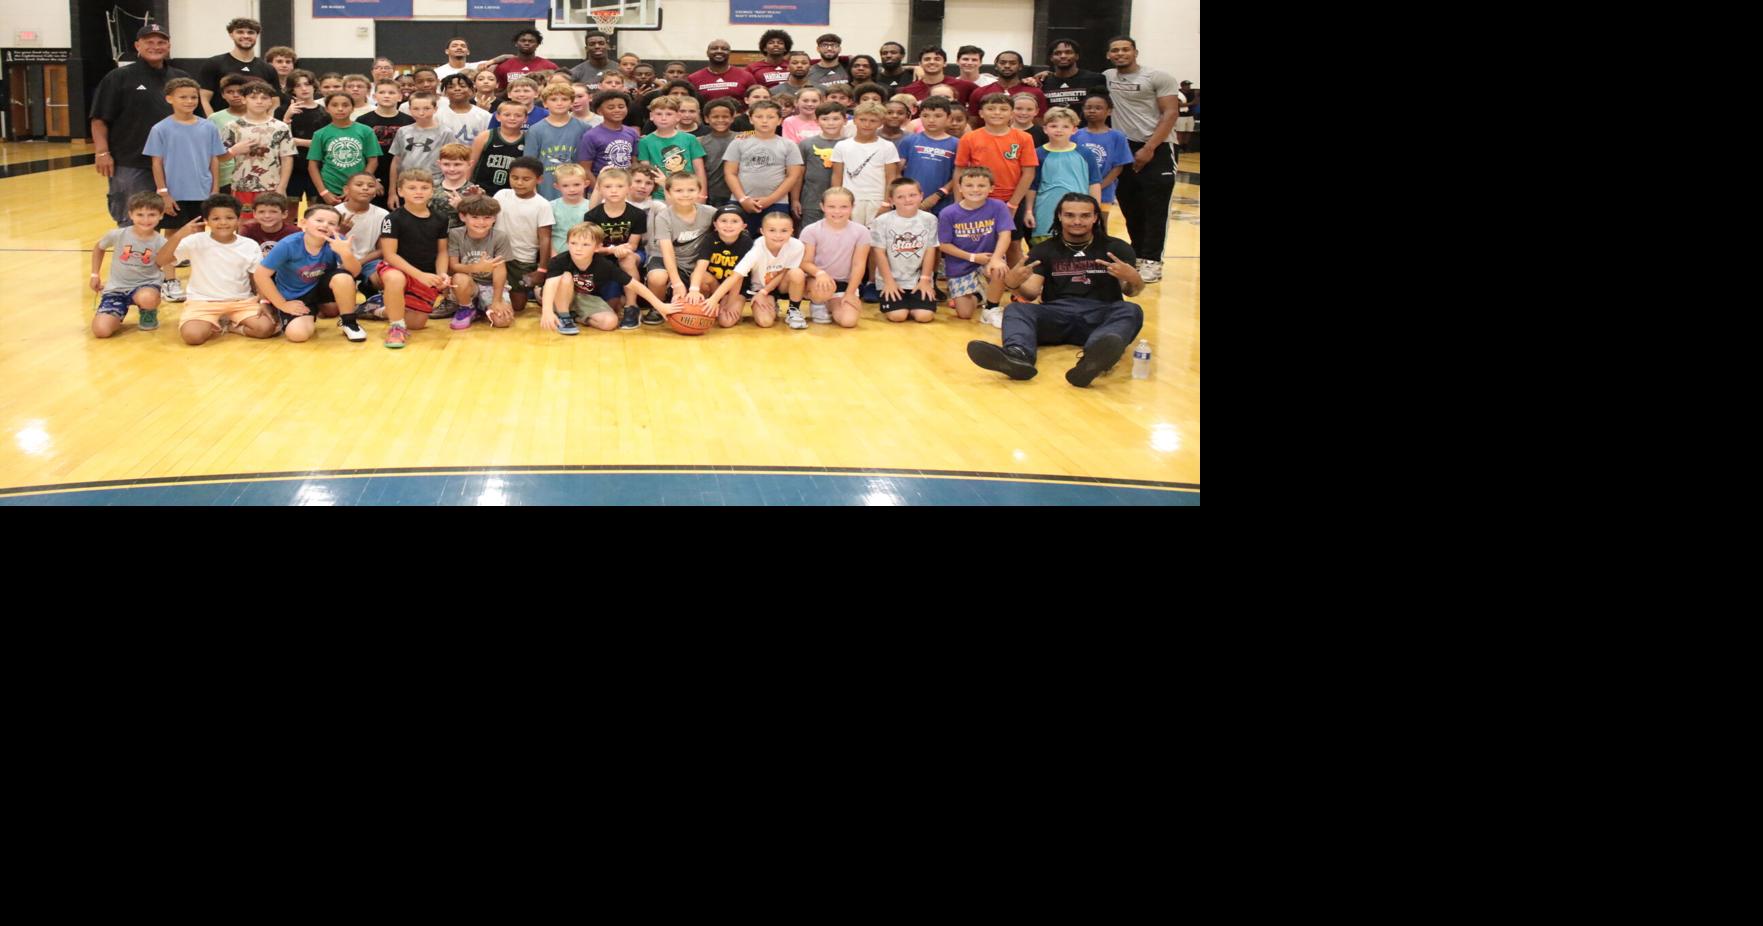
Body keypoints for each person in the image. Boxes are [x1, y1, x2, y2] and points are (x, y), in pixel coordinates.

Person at [968, 193, 1144, 387]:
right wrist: (1015, 284)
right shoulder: (1044, 250)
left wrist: (1134, 279)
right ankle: (1018, 356)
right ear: (1059, 216)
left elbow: (1131, 292)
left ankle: (1093, 359)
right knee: (1016, 310)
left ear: (1095, 217)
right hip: (1056, 315)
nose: (1077, 221)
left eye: (1085, 216)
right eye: (1069, 215)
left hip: (1100, 315)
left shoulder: (1116, 248)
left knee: (1131, 310)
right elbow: (1031, 293)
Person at [91, 24, 192, 227]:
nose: (155, 46)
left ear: (169, 46)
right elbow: (99, 118)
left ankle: (167, 258)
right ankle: (132, 258)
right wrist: (102, 152)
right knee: (133, 218)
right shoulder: (119, 77)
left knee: (175, 218)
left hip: (172, 162)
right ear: (138, 45)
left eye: (161, 42)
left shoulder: (180, 78)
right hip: (131, 161)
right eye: (149, 42)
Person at [1104, 36, 1181, 283]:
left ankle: (1153, 260)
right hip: (1123, 147)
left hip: (1157, 147)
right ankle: (1138, 255)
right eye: (1115, 50)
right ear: (1109, 55)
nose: (1120, 53)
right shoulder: (1107, 77)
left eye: (1125, 49)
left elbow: (1171, 112)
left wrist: (1150, 147)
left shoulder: (1158, 77)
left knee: (1156, 207)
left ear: (1135, 52)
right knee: (1130, 205)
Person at [164, 194, 282, 344]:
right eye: (216, 218)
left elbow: (257, 276)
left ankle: (230, 326)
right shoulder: (195, 241)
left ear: (238, 220)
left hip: (241, 301)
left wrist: (263, 301)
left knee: (266, 328)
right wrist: (179, 235)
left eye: (229, 218)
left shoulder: (249, 244)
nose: (223, 223)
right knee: (193, 337)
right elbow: (162, 260)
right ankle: (214, 322)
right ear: (206, 221)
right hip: (203, 302)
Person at [252, 202, 364, 343]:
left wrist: (345, 253)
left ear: (337, 228)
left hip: (321, 287)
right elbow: (261, 275)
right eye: (319, 220)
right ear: (303, 223)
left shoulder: (338, 241)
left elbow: (354, 273)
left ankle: (349, 323)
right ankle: (313, 310)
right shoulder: (288, 245)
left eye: (331, 223)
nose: (324, 225)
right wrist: (282, 304)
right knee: (298, 335)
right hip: (295, 295)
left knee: (343, 278)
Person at [541, 221, 673, 335]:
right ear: (567, 243)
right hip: (557, 296)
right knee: (565, 277)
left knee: (610, 322)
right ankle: (564, 317)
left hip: (583, 297)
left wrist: (659, 305)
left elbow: (634, 285)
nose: (578, 249)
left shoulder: (604, 265)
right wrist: (546, 311)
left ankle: (577, 317)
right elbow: (550, 285)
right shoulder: (559, 261)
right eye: (573, 243)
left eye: (585, 244)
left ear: (597, 247)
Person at [369, 168, 452, 347]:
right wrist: (419, 275)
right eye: (412, 188)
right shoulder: (393, 218)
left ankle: (382, 310)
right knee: (395, 278)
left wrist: (442, 274)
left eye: (424, 187)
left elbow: (442, 252)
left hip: (425, 271)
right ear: (400, 191)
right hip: (397, 268)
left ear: (432, 191)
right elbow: (390, 255)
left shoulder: (441, 218)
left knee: (416, 324)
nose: (419, 192)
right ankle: (396, 327)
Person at [145, 76, 228, 251]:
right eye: (183, 97)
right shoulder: (160, 129)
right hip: (174, 192)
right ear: (169, 99)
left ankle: (196, 268)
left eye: (193, 97)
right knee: (174, 231)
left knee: (199, 229)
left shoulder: (209, 127)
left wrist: (215, 190)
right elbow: (156, 163)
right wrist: (163, 193)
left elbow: (214, 159)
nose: (189, 101)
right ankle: (171, 271)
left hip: (202, 189)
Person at [957, 92, 1039, 263]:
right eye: (991, 108)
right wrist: (959, 202)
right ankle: (982, 285)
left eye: (1003, 109)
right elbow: (960, 170)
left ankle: (1016, 287)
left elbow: (1029, 173)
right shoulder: (970, 138)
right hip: (977, 199)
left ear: (1011, 113)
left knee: (1013, 244)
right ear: (981, 113)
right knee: (977, 242)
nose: (997, 113)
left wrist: (1013, 203)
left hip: (1011, 199)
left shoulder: (1024, 138)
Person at [937, 166, 1014, 326]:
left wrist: (997, 258)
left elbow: (1005, 235)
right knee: (964, 314)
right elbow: (944, 245)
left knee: (999, 267)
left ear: (991, 188)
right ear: (960, 188)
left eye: (981, 185)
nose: (975, 190)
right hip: (962, 263)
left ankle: (991, 309)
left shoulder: (998, 206)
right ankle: (980, 294)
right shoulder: (948, 213)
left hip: (989, 258)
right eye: (969, 185)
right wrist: (973, 257)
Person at [704, 209, 805, 329]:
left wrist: (765, 292)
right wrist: (714, 300)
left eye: (784, 231)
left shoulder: (797, 246)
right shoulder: (756, 248)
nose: (778, 235)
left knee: (796, 273)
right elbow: (736, 276)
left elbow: (785, 272)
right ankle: (770, 304)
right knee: (765, 322)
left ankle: (794, 310)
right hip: (757, 288)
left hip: (778, 284)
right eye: (772, 230)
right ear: (762, 231)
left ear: (792, 231)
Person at [89, 192, 168, 336]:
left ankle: (148, 311)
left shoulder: (161, 242)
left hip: (145, 286)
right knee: (101, 331)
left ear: (161, 215)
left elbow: (168, 263)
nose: (145, 220)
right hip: (117, 289)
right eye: (140, 215)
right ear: (131, 214)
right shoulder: (117, 235)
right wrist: (94, 274)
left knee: (147, 298)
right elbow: (98, 248)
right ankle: (116, 313)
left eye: (151, 215)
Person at [722, 101, 803, 237]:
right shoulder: (739, 142)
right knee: (738, 240)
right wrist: (743, 199)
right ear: (750, 119)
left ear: (779, 121)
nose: (764, 121)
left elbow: (793, 176)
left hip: (777, 202)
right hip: (741, 201)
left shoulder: (789, 145)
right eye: (759, 117)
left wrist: (771, 199)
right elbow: (730, 173)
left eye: (770, 117)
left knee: (774, 240)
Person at [869, 177, 940, 323]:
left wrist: (926, 280)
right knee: (898, 316)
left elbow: (930, 250)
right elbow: (879, 253)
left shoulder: (930, 220)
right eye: (900, 197)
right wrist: (888, 282)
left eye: (912, 195)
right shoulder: (882, 221)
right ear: (892, 200)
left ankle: (915, 302)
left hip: (918, 280)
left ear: (921, 196)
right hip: (891, 279)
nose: (907, 199)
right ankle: (895, 301)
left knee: (924, 316)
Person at [1030, 107, 1102, 250]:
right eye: (1054, 126)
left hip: (1079, 210)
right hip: (1045, 210)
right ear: (1045, 129)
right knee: (1047, 249)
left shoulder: (1085, 153)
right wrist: (1028, 210)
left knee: (1079, 248)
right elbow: (1032, 185)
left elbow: (1094, 183)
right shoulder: (1037, 154)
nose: (1059, 130)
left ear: (1074, 130)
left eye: (1065, 126)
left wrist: (1096, 209)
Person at [583, 167, 646, 325]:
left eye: (619, 186)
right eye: (608, 186)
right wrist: (611, 250)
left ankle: (632, 307)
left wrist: (622, 250)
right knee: (612, 307)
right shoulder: (592, 215)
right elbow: (592, 247)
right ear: (599, 189)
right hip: (603, 256)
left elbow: (633, 244)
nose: (614, 191)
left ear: (629, 188)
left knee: (627, 259)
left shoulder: (638, 214)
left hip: (631, 253)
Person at [798, 187, 869, 327]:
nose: (837, 211)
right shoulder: (811, 230)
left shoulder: (861, 231)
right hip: (817, 280)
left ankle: (831, 304)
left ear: (852, 207)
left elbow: (859, 264)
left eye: (844, 207)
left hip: (844, 284)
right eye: (831, 207)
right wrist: (820, 273)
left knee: (848, 321)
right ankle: (818, 303)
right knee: (824, 289)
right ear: (822, 207)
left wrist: (850, 293)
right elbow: (805, 262)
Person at [645, 172, 718, 307]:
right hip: (666, 258)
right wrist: (677, 283)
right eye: (679, 190)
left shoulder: (710, 213)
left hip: (694, 261)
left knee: (706, 281)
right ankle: (657, 307)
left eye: (691, 190)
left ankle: (701, 308)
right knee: (657, 278)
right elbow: (667, 253)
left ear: (699, 191)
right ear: (668, 192)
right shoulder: (663, 217)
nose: (685, 194)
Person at [491, 157, 554, 313]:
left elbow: (545, 238)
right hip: (496, 256)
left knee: (518, 306)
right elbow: (485, 215)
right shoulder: (501, 195)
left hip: (522, 260)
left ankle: (536, 289)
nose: (519, 183)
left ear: (539, 179)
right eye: (514, 178)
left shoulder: (542, 204)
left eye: (526, 179)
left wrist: (542, 270)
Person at [222, 81, 296, 213]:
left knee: (271, 224)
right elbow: (221, 158)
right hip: (242, 187)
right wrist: (234, 150)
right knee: (245, 225)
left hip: (271, 187)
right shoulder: (232, 126)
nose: (259, 101)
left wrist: (282, 187)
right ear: (244, 100)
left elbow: (287, 158)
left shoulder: (280, 127)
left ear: (270, 102)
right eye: (253, 97)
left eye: (264, 98)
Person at [446, 194, 515, 330]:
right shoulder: (455, 234)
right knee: (459, 278)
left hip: (491, 285)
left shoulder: (500, 237)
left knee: (502, 321)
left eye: (487, 217)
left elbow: (500, 271)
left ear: (494, 218)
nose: (481, 222)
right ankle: (466, 307)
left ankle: (482, 306)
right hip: (467, 284)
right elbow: (453, 266)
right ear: (463, 217)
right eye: (475, 217)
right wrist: (477, 267)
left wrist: (496, 301)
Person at [831, 101, 902, 228]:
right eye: (862, 120)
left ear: (880, 123)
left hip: (877, 199)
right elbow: (837, 176)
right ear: (855, 120)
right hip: (850, 199)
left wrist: (886, 203)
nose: (867, 124)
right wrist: (838, 202)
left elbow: (891, 178)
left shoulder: (887, 146)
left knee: (876, 240)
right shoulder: (842, 146)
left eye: (873, 121)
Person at [308, 92, 382, 207]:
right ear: (327, 109)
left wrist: (358, 188)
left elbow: (373, 161)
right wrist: (324, 192)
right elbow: (312, 165)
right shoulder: (320, 134)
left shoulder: (366, 131)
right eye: (335, 105)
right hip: (330, 190)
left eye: (345, 105)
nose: (340, 109)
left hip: (358, 191)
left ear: (352, 108)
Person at [1073, 92, 1133, 229]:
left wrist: (1099, 187)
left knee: (1099, 226)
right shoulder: (1075, 135)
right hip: (1077, 189)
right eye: (1088, 107)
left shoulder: (1117, 136)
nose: (1092, 111)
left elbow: (1118, 167)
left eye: (1098, 108)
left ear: (1109, 111)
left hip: (1104, 192)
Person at [896, 96, 960, 216]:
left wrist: (939, 195)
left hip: (941, 201)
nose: (931, 120)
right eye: (925, 116)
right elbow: (897, 171)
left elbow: (958, 174)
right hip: (909, 200)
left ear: (949, 118)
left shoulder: (957, 144)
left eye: (937, 116)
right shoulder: (909, 140)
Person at [334, 172, 387, 314]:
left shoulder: (383, 215)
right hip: (339, 261)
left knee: (385, 275)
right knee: (332, 309)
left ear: (375, 192)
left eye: (370, 186)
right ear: (346, 190)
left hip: (368, 260)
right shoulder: (333, 212)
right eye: (359, 185)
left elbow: (382, 250)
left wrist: (360, 262)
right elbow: (323, 245)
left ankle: (371, 292)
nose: (365, 188)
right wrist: (341, 232)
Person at [637, 96, 709, 199]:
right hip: (659, 196)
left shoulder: (690, 139)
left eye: (669, 114)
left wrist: (702, 195)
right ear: (651, 116)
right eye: (659, 114)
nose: (663, 118)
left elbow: (699, 169)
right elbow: (647, 172)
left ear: (678, 116)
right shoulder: (645, 142)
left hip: (688, 194)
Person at [387, 91, 450, 209]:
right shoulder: (403, 131)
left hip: (434, 187)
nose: (421, 112)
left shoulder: (445, 133)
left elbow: (450, 162)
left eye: (426, 108)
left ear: (435, 109)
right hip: (407, 186)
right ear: (410, 109)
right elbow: (396, 161)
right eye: (416, 108)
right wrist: (392, 192)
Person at [358, 79, 414, 209]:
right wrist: (369, 178)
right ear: (374, 96)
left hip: (401, 177)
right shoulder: (363, 121)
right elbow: (359, 154)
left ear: (400, 96)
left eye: (391, 92)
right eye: (382, 92)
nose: (387, 95)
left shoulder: (409, 121)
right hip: (373, 175)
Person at [794, 100, 848, 229]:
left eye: (836, 119)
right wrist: (795, 199)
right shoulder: (806, 144)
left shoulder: (850, 144)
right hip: (811, 201)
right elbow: (799, 175)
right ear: (817, 121)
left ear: (845, 121)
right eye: (825, 119)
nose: (830, 123)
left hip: (842, 203)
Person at [528, 84, 589, 198]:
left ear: (571, 103)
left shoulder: (584, 128)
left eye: (565, 99)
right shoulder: (535, 130)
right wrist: (533, 191)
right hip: (545, 188)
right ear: (545, 103)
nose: (559, 103)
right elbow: (529, 165)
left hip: (575, 189)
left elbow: (586, 163)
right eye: (553, 99)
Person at [198, 17, 264, 117]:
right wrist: (214, 123)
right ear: (231, 34)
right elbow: (204, 99)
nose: (246, 36)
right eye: (240, 32)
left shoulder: (267, 68)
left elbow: (274, 102)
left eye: (250, 32)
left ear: (257, 35)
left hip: (257, 127)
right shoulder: (213, 63)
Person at [282, 70, 328, 213]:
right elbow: (281, 142)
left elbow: (325, 144)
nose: (304, 88)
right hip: (292, 169)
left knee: (315, 211)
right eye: (298, 85)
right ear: (291, 89)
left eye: (307, 84)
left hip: (317, 168)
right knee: (289, 212)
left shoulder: (325, 113)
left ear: (314, 86)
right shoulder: (283, 111)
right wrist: (287, 117)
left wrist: (299, 142)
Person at [468, 99, 527, 197]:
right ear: (498, 117)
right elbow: (470, 164)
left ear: (525, 119)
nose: (512, 118)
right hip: (482, 191)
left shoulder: (528, 139)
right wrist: (467, 186)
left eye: (518, 115)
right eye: (507, 115)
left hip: (513, 193)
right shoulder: (485, 136)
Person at [1033, 39, 1109, 112]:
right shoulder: (1042, 81)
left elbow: (1104, 108)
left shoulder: (1094, 79)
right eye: (1057, 53)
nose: (1063, 56)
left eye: (1068, 52)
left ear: (1077, 56)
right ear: (1051, 58)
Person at [209, 74, 251, 193]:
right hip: (224, 177)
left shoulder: (259, 117)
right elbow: (211, 152)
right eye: (230, 92)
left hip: (254, 176)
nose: (235, 95)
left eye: (240, 91)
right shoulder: (214, 119)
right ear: (223, 95)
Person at [901, 47, 979, 109]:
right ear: (920, 64)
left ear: (945, 63)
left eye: (937, 59)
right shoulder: (908, 90)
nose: (932, 62)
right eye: (927, 59)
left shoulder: (965, 86)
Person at [980, 52, 1047, 123]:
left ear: (1020, 66)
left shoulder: (1035, 92)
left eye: (1012, 63)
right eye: (1002, 63)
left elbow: (1040, 122)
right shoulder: (980, 92)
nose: (1007, 66)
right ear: (996, 66)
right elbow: (974, 123)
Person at [688, 38, 757, 105]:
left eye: (724, 49)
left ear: (730, 53)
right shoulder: (693, 78)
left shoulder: (746, 76)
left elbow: (756, 102)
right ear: (707, 53)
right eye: (714, 48)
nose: (719, 51)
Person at [434, 73, 492, 147]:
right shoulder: (437, 116)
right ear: (445, 93)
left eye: (462, 86)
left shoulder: (485, 115)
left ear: (472, 90)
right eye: (451, 87)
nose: (457, 89)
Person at [700, 99, 740, 203]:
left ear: (732, 118)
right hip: (710, 194)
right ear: (706, 119)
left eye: (725, 117)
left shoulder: (742, 138)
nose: (720, 120)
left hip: (736, 194)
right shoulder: (700, 142)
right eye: (715, 117)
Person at [493, 28, 559, 90]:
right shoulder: (503, 67)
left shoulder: (550, 67)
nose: (527, 43)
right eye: (523, 40)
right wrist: (513, 89)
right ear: (516, 43)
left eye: (531, 41)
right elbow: (497, 94)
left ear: (537, 45)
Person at [435, 37, 513, 83]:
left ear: (468, 52)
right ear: (447, 51)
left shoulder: (477, 66)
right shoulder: (438, 72)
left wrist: (490, 62)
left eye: (463, 46)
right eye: (454, 46)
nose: (459, 48)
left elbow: (509, 57)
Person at [1176, 80, 1198, 148]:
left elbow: (1195, 102)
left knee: (1189, 131)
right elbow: (1178, 104)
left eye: (1189, 85)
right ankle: (1178, 146)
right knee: (1180, 131)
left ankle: (1185, 146)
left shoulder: (1191, 93)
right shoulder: (1178, 94)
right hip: (1181, 116)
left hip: (1190, 115)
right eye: (1187, 85)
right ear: (1182, 86)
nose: (1188, 87)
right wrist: (1191, 103)